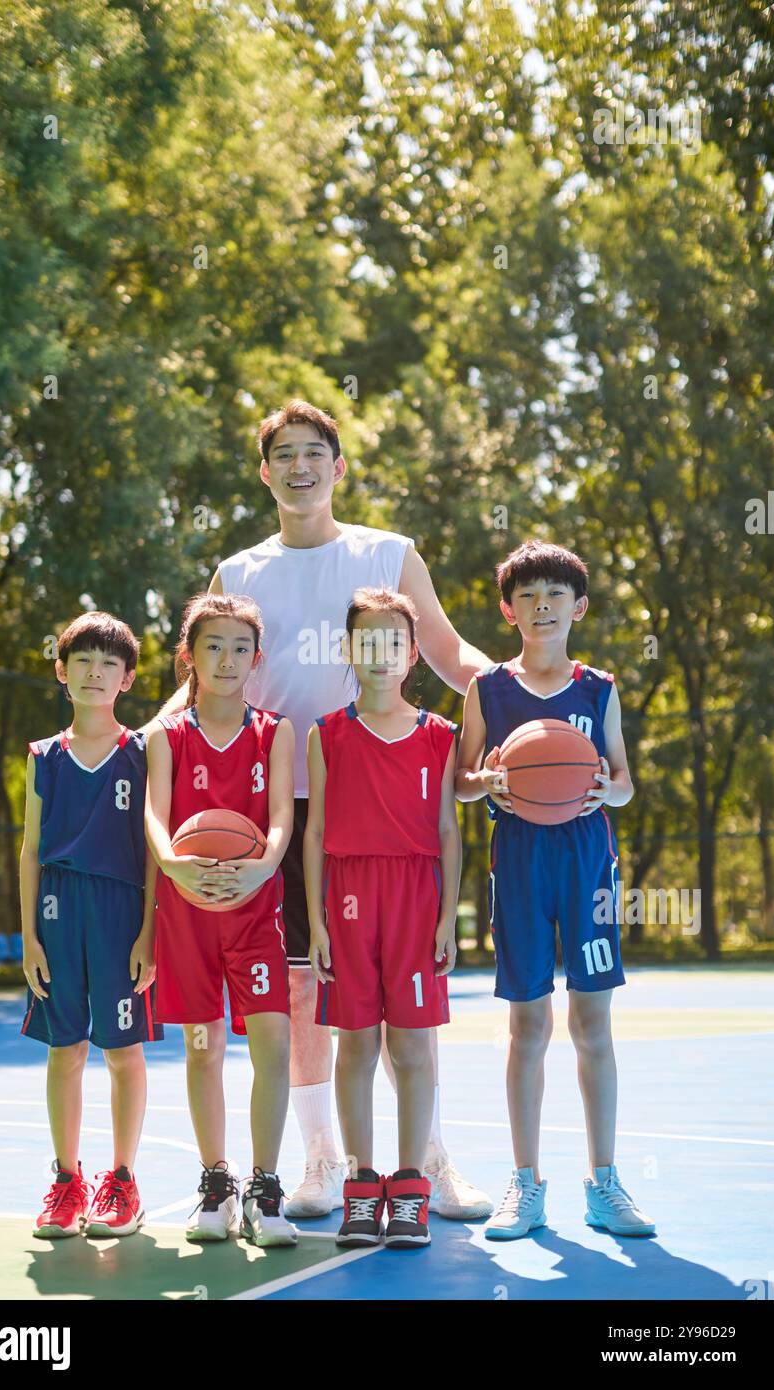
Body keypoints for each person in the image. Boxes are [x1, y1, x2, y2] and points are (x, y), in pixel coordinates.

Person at [152, 399, 493, 1221]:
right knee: (303, 987)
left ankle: (430, 1154)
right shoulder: (237, 571)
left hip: (376, 799)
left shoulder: (388, 553)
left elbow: (451, 656)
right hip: (269, 810)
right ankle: (319, 1157)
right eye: (284, 455)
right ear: (264, 471)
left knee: (406, 991)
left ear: (339, 468)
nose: (299, 467)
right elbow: (202, 677)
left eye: (315, 453)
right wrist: (134, 739)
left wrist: (526, 691)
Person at [455, 539, 656, 1239]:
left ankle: (603, 1183)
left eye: (555, 596)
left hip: (585, 857)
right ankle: (525, 1181)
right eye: (528, 597)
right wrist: (489, 785)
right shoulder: (486, 689)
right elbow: (460, 779)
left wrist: (608, 789)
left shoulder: (598, 687)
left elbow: (623, 780)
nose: (542, 607)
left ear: (578, 607)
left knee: (591, 1025)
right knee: (527, 1024)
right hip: (517, 855)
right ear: (508, 610)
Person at [306, 588, 461, 1248]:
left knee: (411, 1045)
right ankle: (360, 1185)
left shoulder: (438, 735)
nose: (379, 652)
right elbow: (313, 834)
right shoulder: (327, 733)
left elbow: (449, 832)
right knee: (357, 1043)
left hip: (414, 895)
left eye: (392, 641)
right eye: (365, 641)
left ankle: (409, 1187)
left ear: (412, 654)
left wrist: (448, 918)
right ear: (349, 651)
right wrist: (314, 923)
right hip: (347, 895)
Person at [145, 591, 298, 1247]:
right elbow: (152, 813)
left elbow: (281, 818)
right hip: (186, 911)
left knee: (273, 1044)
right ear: (189, 656)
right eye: (214, 645)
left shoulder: (276, 731)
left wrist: (266, 863)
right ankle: (216, 1179)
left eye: (240, 647)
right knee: (201, 1048)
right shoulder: (165, 735)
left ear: (256, 659)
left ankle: (266, 1185)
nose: (227, 658)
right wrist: (171, 863)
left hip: (255, 910)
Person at [21, 612, 163, 1240]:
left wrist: (149, 932)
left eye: (109, 663)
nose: (95, 672)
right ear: (62, 669)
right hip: (56, 911)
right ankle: (65, 1180)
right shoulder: (43, 758)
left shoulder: (142, 752)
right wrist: (27, 935)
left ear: (127, 678)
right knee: (65, 1050)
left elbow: (156, 847)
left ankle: (123, 1182)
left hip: (120, 911)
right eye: (83, 660)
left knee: (124, 1052)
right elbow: (30, 850)